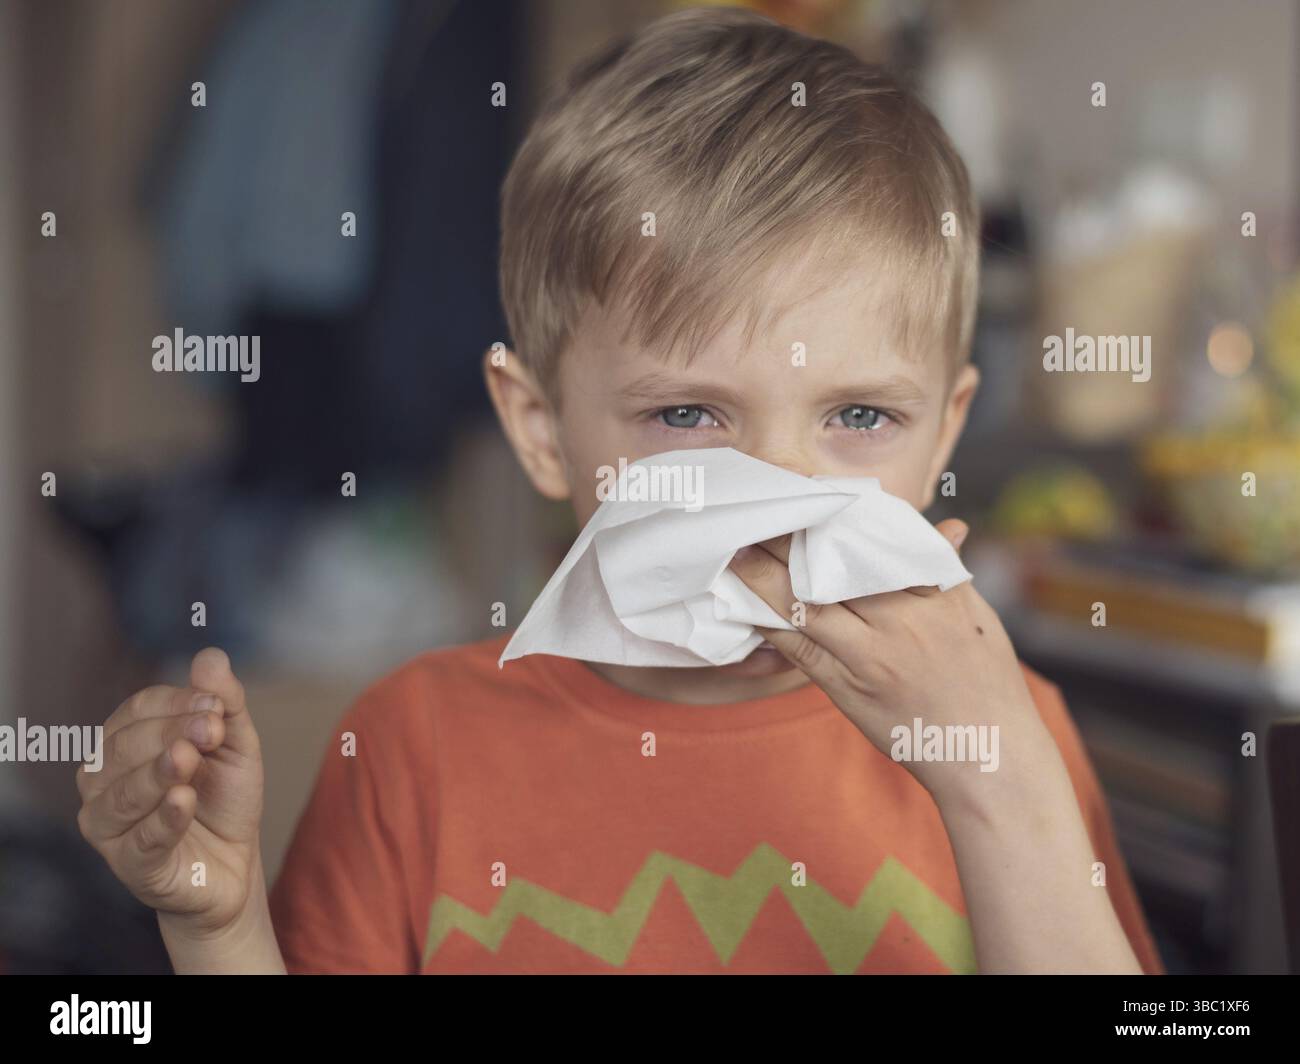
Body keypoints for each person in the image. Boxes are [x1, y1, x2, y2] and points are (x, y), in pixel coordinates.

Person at [76, 8, 1163, 974]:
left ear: (944, 435)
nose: (777, 495)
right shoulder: (411, 746)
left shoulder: (1011, 733)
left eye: (859, 417)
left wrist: (1003, 789)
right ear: (541, 431)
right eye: (686, 415)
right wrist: (218, 932)